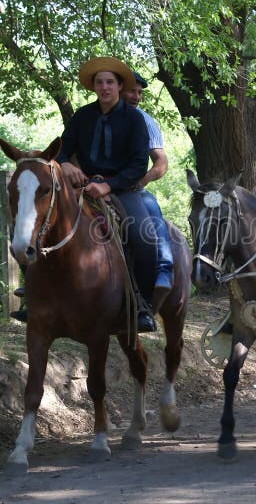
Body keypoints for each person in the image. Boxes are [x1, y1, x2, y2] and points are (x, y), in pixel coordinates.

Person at [55, 56, 163, 333]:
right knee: (46, 221)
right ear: (94, 87)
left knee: (144, 237)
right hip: (83, 186)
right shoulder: (82, 116)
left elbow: (139, 163)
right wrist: (65, 163)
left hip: (121, 189)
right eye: (100, 82)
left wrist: (108, 185)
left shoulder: (135, 119)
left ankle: (142, 304)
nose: (105, 87)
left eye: (110, 82)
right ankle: (38, 298)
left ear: (118, 86)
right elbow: (62, 148)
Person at [121, 71, 174, 302]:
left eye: (139, 92)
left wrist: (143, 180)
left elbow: (161, 162)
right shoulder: (94, 117)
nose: (136, 96)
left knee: (153, 214)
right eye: (131, 90)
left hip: (132, 189)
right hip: (96, 185)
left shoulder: (145, 120)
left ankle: (164, 270)